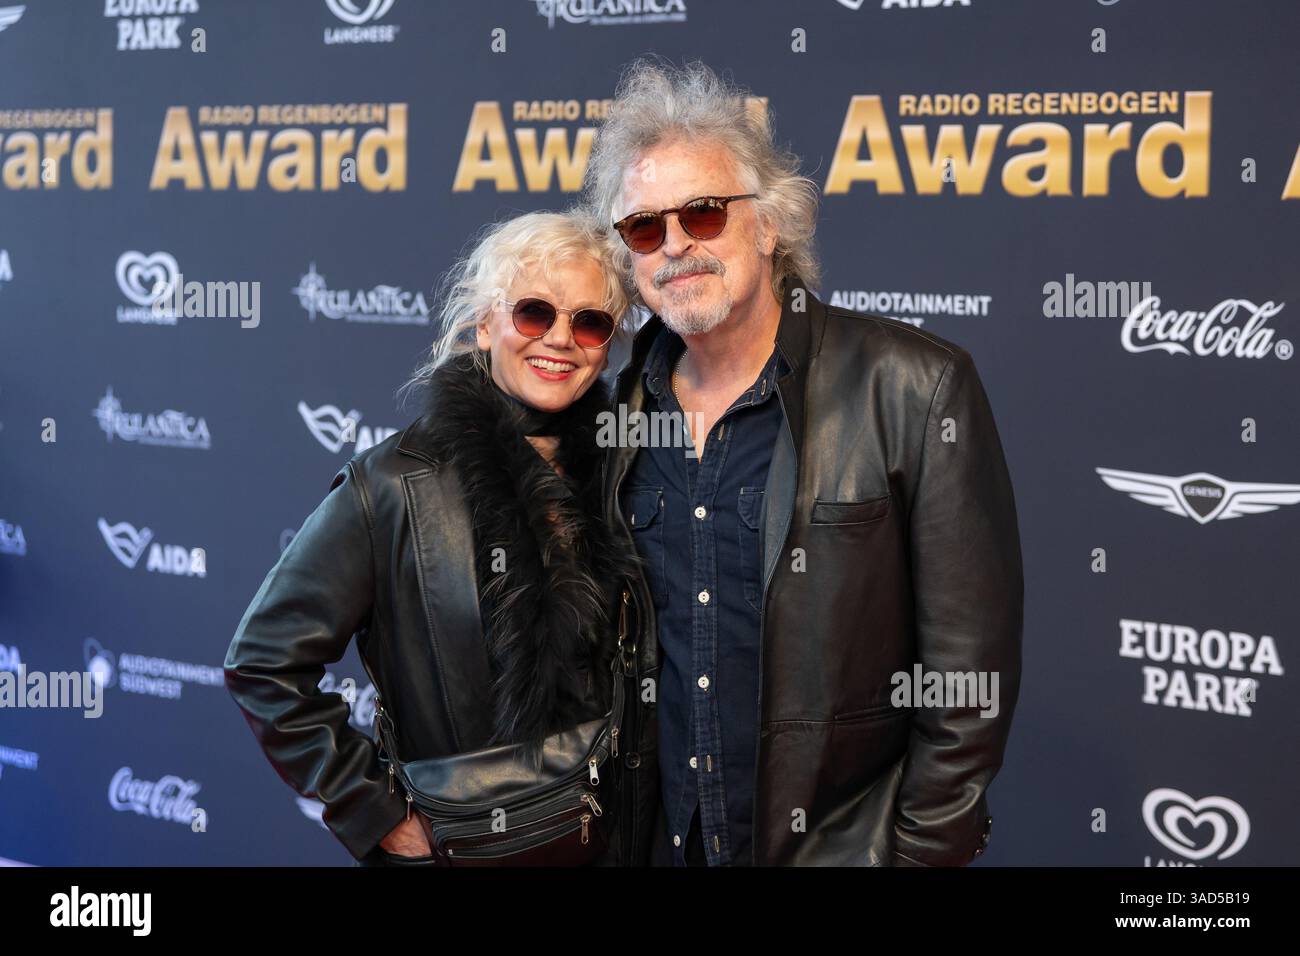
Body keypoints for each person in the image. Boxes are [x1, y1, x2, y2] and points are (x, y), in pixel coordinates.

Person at [581, 58, 1024, 866]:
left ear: (770, 223)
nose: (676, 245)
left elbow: (967, 687)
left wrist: (915, 856)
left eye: (704, 213)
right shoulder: (615, 415)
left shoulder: (915, 389)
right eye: (645, 228)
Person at [223, 210, 639, 865]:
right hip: (462, 851)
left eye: (590, 322)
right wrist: (377, 813)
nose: (561, 339)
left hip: (613, 845)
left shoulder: (629, 471)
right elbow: (262, 663)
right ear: (486, 322)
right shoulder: (390, 485)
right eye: (534, 312)